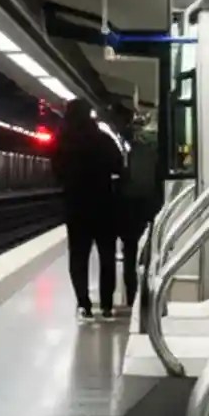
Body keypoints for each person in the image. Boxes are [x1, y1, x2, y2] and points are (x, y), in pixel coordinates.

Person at [52, 99, 123, 320]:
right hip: (103, 205)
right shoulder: (102, 139)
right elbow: (119, 165)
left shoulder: (62, 143)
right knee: (107, 256)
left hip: (76, 206)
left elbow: (57, 173)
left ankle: (84, 304)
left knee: (78, 257)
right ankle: (108, 305)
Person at [115, 111, 161, 308]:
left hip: (130, 210)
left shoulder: (131, 153)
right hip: (150, 207)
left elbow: (124, 181)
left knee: (130, 254)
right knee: (148, 253)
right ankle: (146, 296)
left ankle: (133, 296)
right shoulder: (155, 151)